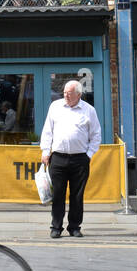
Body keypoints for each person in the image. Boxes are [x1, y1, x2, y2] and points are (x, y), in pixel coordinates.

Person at [40, 79, 101, 238]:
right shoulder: (55, 106)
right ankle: (56, 227)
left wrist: (88, 156)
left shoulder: (89, 110)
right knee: (58, 194)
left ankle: (74, 227)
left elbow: (96, 136)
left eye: (70, 93)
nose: (66, 96)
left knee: (77, 195)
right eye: (65, 93)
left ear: (79, 94)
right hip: (58, 158)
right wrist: (45, 151)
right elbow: (48, 131)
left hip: (80, 159)